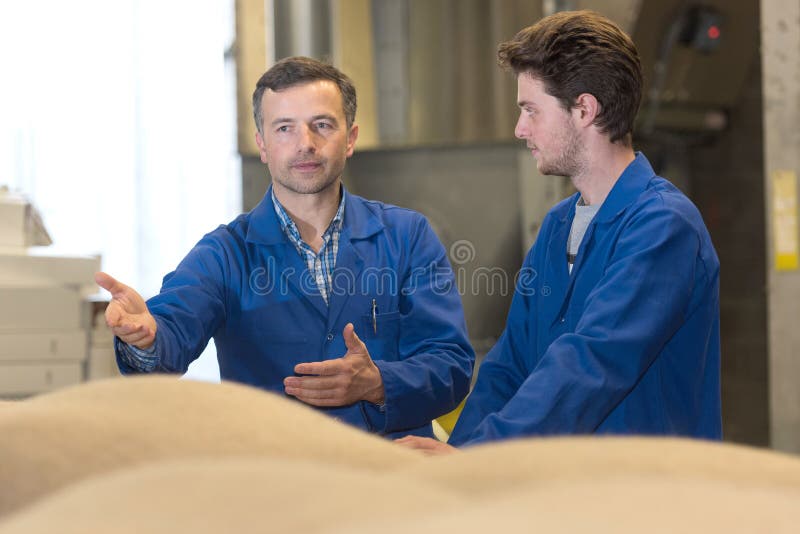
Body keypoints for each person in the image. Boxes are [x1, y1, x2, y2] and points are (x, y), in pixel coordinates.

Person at [96, 56, 474, 439]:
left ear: (351, 138)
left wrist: (378, 383)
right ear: (262, 144)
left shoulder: (407, 237)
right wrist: (146, 336)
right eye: (284, 129)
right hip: (276, 478)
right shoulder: (225, 254)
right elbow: (172, 331)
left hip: (389, 475)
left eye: (322, 125)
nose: (305, 144)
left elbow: (451, 366)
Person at [397, 10, 721, 454]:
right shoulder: (558, 226)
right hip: (568, 497)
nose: (519, 128)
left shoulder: (663, 227)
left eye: (531, 110)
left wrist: (477, 459)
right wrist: (462, 462)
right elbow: (510, 366)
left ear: (584, 109)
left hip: (649, 502)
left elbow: (592, 363)